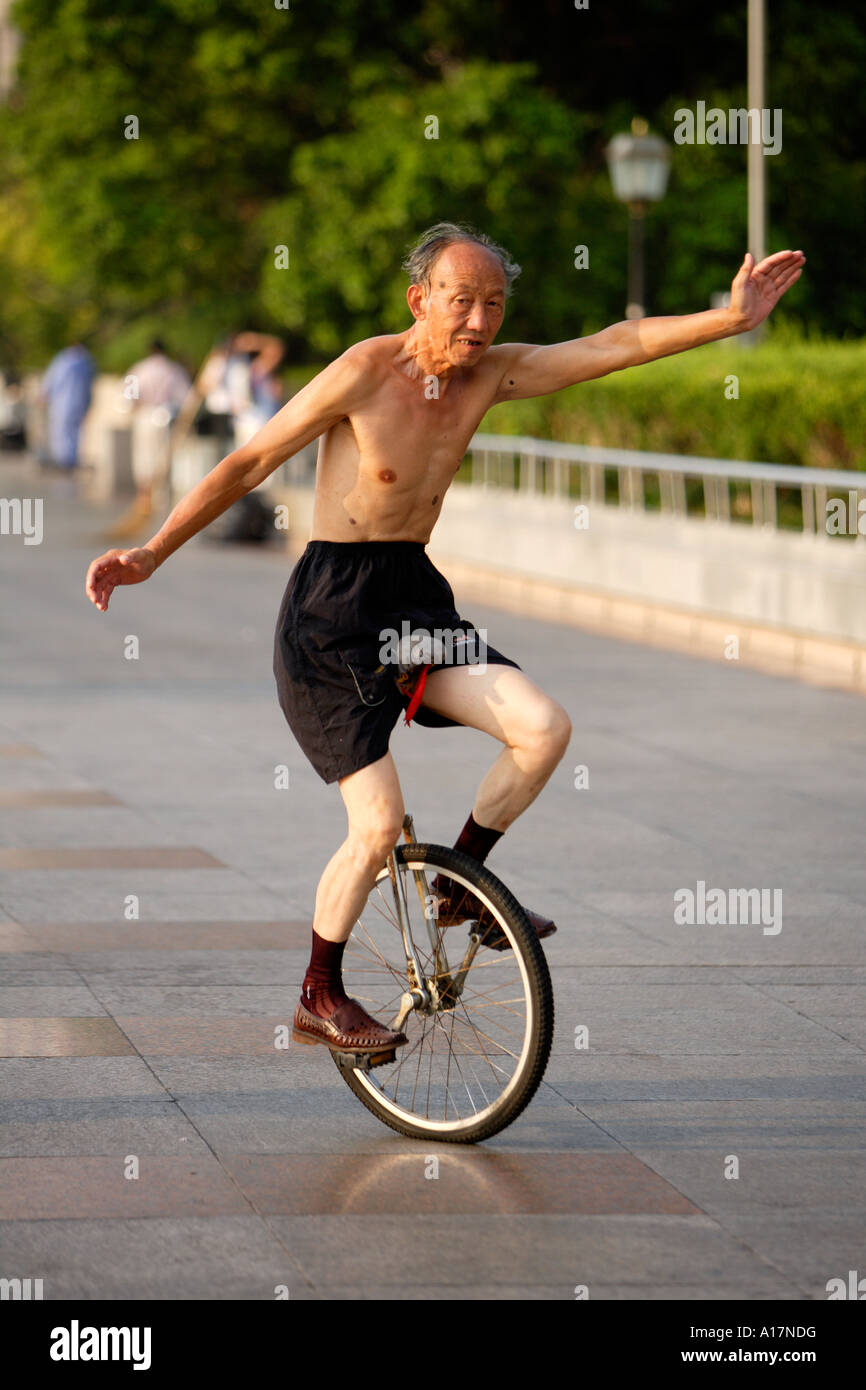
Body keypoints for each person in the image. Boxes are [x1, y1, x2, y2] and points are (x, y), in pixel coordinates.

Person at [84, 222, 805, 1056]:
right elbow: (248, 463)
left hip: (414, 603)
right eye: (462, 302)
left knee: (543, 728)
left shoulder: (491, 374)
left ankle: (461, 887)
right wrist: (151, 553)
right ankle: (319, 992)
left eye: (494, 305)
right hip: (330, 617)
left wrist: (729, 319)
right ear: (418, 300)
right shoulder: (364, 371)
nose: (479, 322)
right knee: (377, 824)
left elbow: (613, 345)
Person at [106, 340, 192, 540]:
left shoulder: (141, 369)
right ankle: (159, 500)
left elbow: (127, 399)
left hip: (146, 418)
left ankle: (145, 498)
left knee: (144, 460)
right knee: (163, 459)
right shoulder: (174, 370)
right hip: (167, 419)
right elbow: (185, 398)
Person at [40, 342, 94, 470]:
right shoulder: (86, 362)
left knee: (61, 431)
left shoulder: (63, 360)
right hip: (77, 403)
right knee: (73, 432)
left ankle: (64, 460)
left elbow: (51, 379)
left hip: (62, 402)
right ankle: (69, 459)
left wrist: (43, 394)